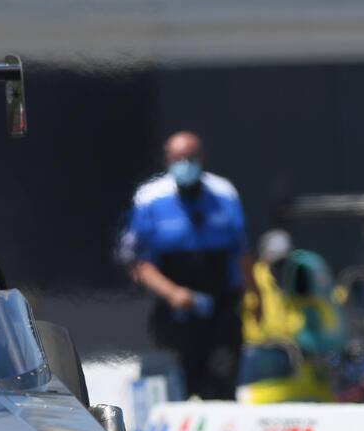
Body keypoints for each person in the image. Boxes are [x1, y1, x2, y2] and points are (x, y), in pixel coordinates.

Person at [117, 131, 246, 399]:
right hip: (173, 312)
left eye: (191, 157)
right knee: (176, 386)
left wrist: (253, 296)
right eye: (178, 158)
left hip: (220, 307)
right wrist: (172, 293)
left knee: (222, 383)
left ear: (202, 158)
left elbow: (242, 251)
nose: (185, 164)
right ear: (167, 160)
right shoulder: (150, 198)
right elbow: (133, 260)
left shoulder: (224, 193)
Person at [240, 228, 345, 386]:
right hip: (263, 354)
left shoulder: (301, 276)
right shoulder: (252, 281)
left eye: (284, 262)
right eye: (276, 263)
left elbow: (333, 302)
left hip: (302, 356)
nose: (281, 268)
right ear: (263, 259)